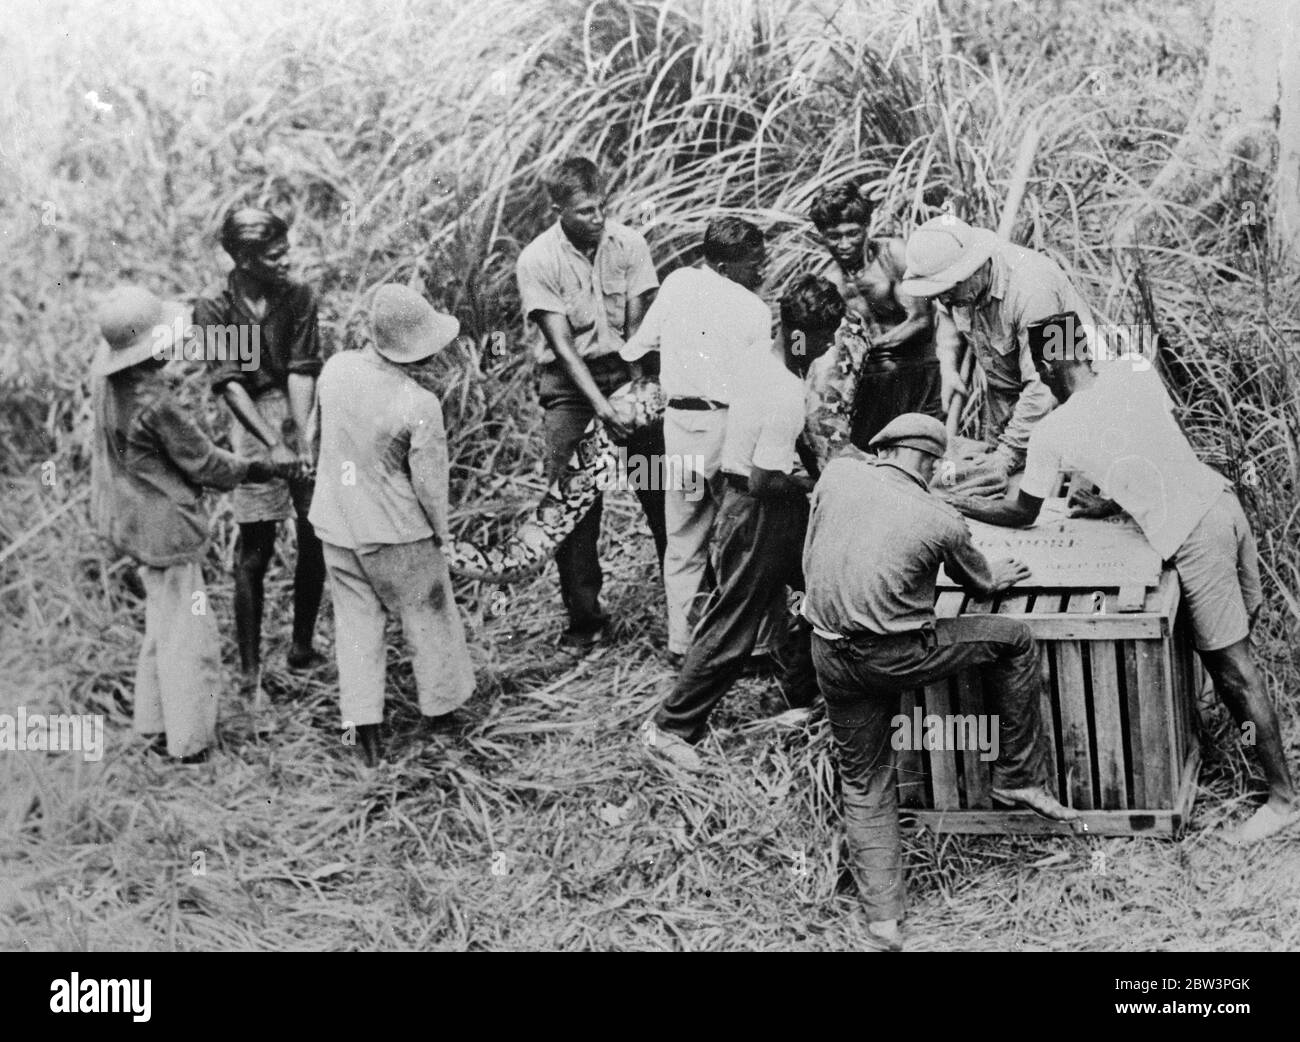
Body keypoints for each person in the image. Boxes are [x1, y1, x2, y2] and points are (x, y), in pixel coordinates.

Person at [948, 313, 1300, 844]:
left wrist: (958, 503)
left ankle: (1283, 800)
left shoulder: (1053, 430)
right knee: (1238, 659)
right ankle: (1257, 753)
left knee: (1233, 669)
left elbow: (1021, 512)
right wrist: (1111, 499)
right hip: (1222, 503)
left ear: (1044, 365)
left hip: (1195, 534)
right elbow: (1151, 445)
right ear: (1084, 350)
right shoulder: (1133, 370)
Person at [801, 413, 1078, 951]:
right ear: (929, 462)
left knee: (864, 781)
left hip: (827, 650)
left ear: (884, 448)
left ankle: (884, 920)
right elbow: (982, 580)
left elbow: (818, 548)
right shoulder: (939, 516)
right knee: (1012, 639)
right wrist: (995, 573)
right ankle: (1018, 775)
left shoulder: (837, 474)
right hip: (895, 654)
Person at [645, 275, 845, 771]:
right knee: (733, 624)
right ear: (802, 337)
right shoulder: (783, 393)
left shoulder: (762, 355)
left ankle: (805, 694)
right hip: (759, 512)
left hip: (766, 508)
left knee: (815, 592)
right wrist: (812, 488)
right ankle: (672, 727)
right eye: (823, 339)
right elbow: (764, 479)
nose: (825, 350)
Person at [90, 287, 294, 763]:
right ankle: (191, 742)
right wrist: (258, 468)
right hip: (169, 529)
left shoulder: (110, 386)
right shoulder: (155, 403)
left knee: (162, 626)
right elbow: (205, 464)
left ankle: (153, 723)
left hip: (134, 523)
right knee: (191, 639)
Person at [308, 285, 476, 767]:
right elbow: (429, 484)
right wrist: (442, 535)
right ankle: (441, 717)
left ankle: (365, 732)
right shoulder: (419, 402)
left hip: (336, 524)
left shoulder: (336, 369)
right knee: (430, 617)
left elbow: (314, 436)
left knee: (357, 626)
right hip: (397, 531)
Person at [515, 158, 666, 650]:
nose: (597, 218)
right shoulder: (538, 260)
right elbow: (561, 346)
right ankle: (585, 621)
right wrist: (603, 408)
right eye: (584, 211)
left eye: (601, 206)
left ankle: (686, 600)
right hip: (571, 389)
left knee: (660, 487)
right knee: (575, 502)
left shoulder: (630, 245)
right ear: (558, 210)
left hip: (628, 372)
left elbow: (641, 326)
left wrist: (639, 391)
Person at [619, 216, 772, 664]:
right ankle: (755, 645)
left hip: (682, 431)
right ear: (726, 267)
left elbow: (637, 348)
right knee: (741, 538)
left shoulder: (678, 283)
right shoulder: (754, 310)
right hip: (727, 431)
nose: (759, 273)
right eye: (752, 264)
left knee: (685, 538)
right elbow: (758, 382)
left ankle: (682, 644)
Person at [194, 207, 326, 696]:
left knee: (315, 533)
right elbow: (230, 383)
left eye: (285, 249)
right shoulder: (216, 306)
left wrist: (303, 438)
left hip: (300, 410)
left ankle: (302, 647)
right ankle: (250, 674)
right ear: (244, 258)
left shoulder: (297, 295)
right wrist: (272, 445)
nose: (285, 260)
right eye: (273, 255)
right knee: (257, 546)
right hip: (251, 418)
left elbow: (300, 369)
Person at [899, 215, 1096, 489]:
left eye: (948, 291)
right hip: (1004, 397)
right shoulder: (955, 288)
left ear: (976, 268)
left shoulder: (1035, 289)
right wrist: (949, 368)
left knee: (1045, 503)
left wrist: (1006, 456)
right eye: (937, 293)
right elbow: (946, 316)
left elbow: (1046, 389)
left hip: (1066, 405)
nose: (944, 300)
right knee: (989, 487)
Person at [808, 180, 941, 448]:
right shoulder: (829, 282)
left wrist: (868, 347)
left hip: (916, 374)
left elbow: (922, 320)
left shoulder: (894, 255)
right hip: (868, 386)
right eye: (834, 236)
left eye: (852, 233)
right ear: (821, 235)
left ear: (867, 227)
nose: (844, 244)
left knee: (919, 454)